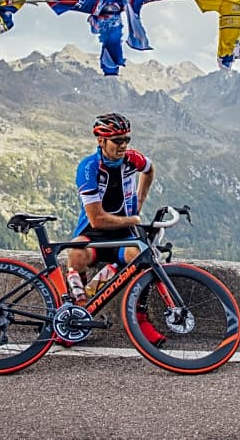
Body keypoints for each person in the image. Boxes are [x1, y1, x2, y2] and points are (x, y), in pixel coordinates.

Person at [63, 112, 164, 346]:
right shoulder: (88, 168)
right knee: (76, 253)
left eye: (126, 139)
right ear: (101, 141)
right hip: (95, 231)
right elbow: (97, 220)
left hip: (123, 237)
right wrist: (133, 220)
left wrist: (140, 200)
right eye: (117, 140)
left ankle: (140, 320)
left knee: (139, 258)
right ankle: (78, 315)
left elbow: (149, 169)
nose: (124, 145)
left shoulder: (132, 159)